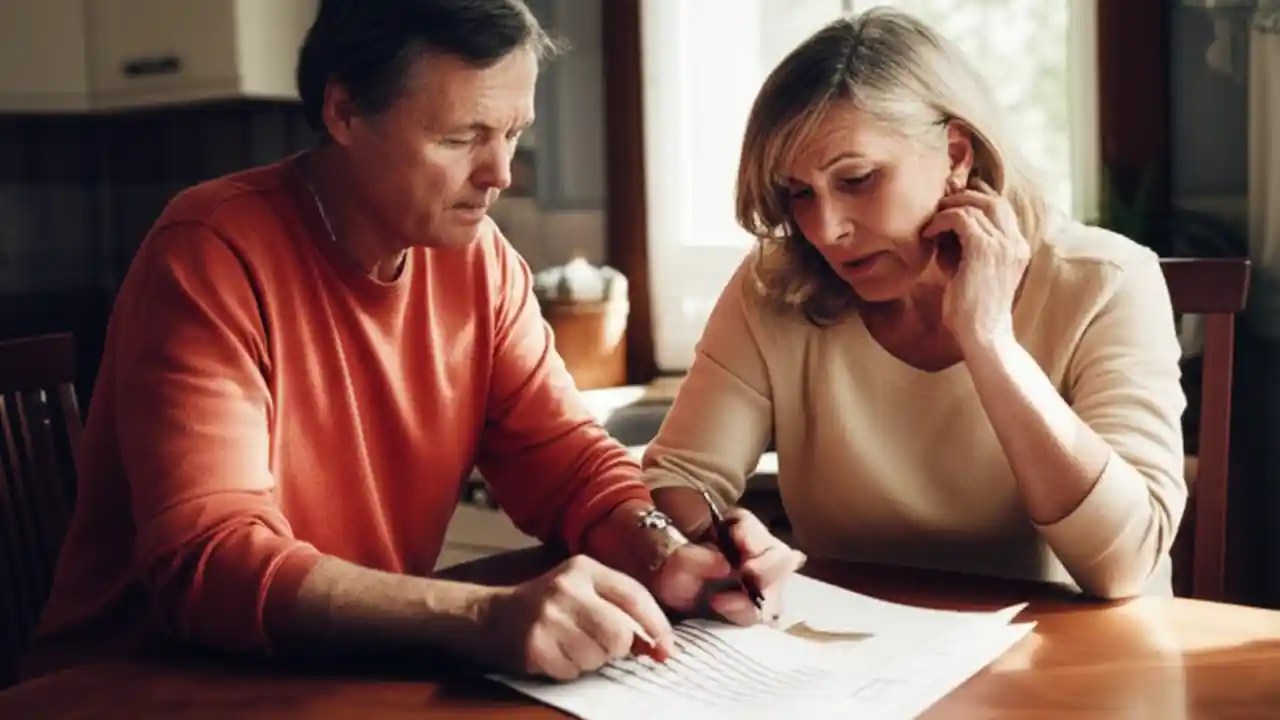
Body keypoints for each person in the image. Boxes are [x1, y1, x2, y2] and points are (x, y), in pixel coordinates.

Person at [24, 0, 803, 682]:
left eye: (515, 132)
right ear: (344, 113)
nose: (501, 172)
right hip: (140, 686)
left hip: (336, 678)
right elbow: (211, 563)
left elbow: (568, 463)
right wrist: (479, 618)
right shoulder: (212, 251)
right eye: (463, 137)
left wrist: (665, 552)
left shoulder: (483, 261)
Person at [644, 8, 1187, 599]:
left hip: (1066, 670)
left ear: (956, 155)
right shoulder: (775, 288)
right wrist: (719, 537)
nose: (826, 229)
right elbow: (675, 481)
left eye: (857, 179)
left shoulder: (1106, 281)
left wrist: (990, 342)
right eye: (799, 193)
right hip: (854, 666)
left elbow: (1124, 564)